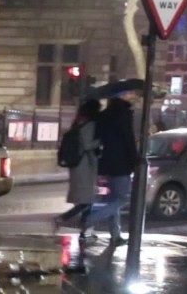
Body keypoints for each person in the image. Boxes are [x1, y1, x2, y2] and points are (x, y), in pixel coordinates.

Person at [83, 80, 142, 248]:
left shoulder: (106, 113)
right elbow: (128, 139)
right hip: (121, 162)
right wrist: (135, 158)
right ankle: (89, 219)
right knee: (122, 199)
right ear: (121, 95)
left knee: (113, 199)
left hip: (108, 161)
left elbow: (100, 136)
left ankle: (115, 235)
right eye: (130, 93)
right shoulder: (123, 113)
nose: (133, 96)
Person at [55, 99, 102, 236]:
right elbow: (87, 145)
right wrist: (100, 141)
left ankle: (85, 227)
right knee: (86, 200)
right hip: (84, 165)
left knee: (88, 198)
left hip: (78, 165)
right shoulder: (90, 125)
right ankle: (63, 218)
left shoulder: (78, 123)